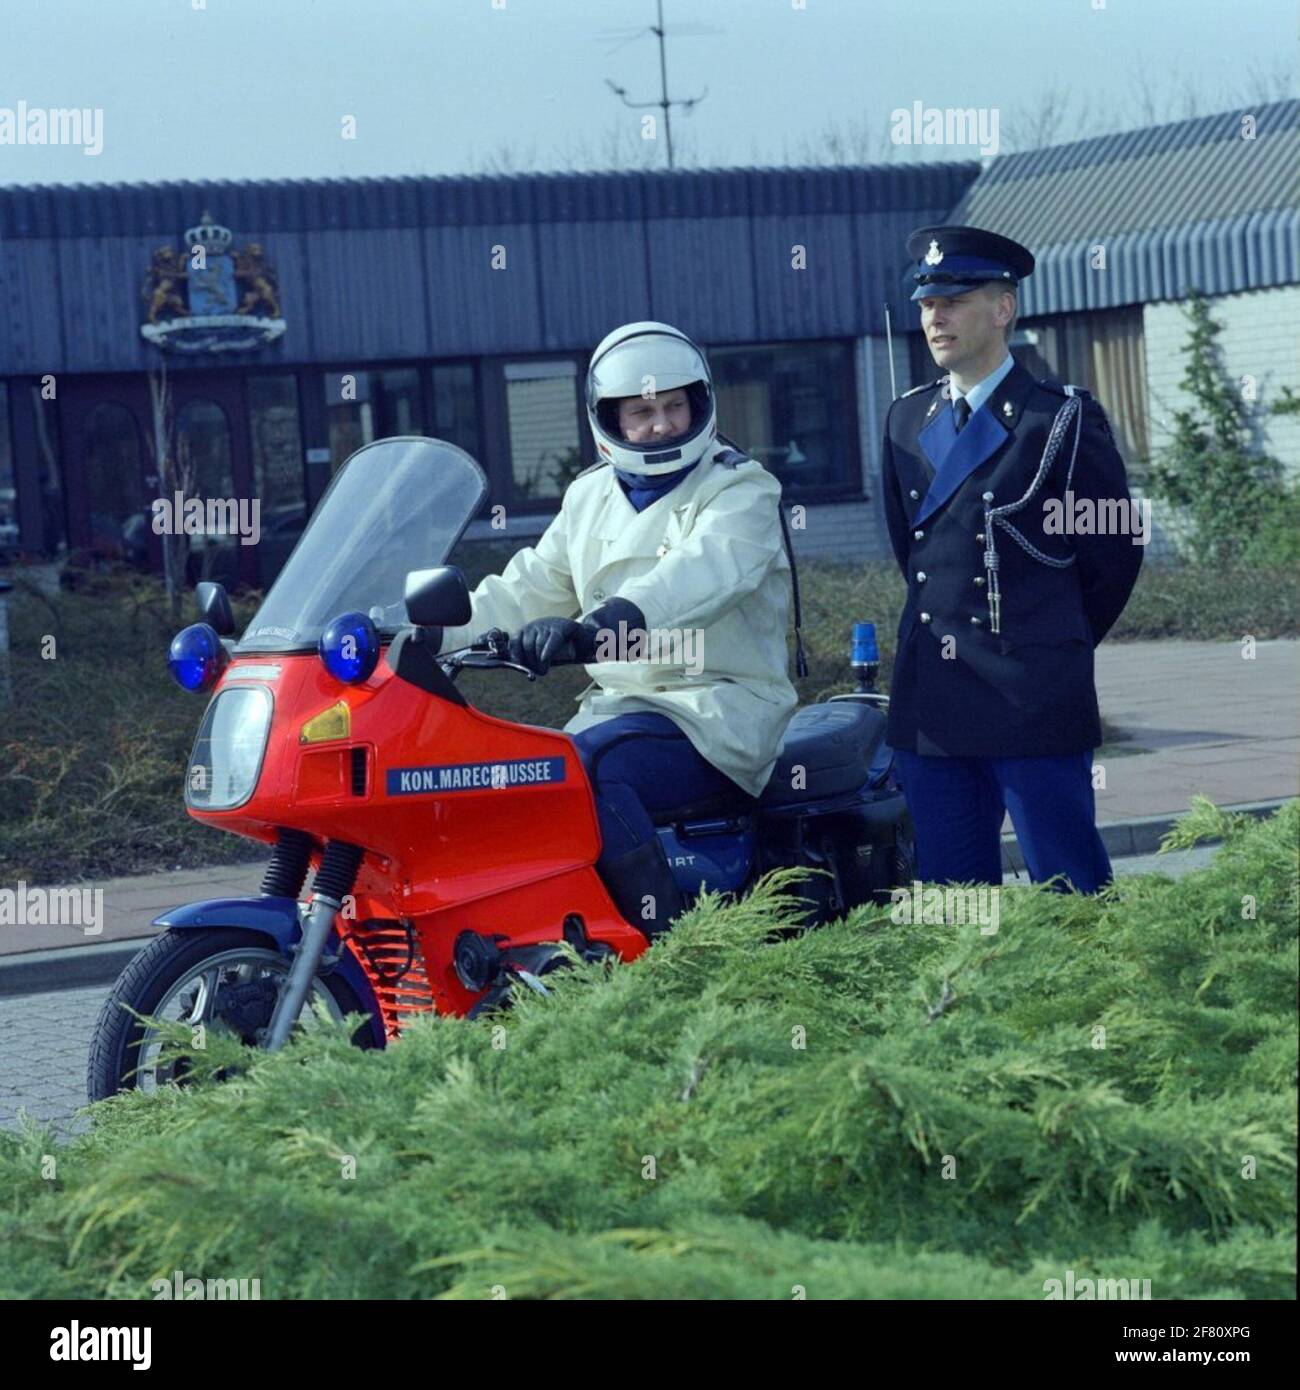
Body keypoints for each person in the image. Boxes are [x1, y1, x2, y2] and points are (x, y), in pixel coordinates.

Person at [437, 320, 798, 935]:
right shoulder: (590, 497)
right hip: (618, 711)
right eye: (641, 412)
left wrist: (598, 627)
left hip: (718, 709)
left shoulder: (741, 488)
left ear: (701, 404)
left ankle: (668, 952)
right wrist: (412, 629)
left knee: (588, 769)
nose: (660, 425)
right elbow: (524, 588)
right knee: (519, 770)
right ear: (608, 420)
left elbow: (700, 574)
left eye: (674, 406)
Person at [880, 226, 1144, 892]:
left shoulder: (1058, 419)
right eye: (926, 304)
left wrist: (1048, 640)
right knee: (951, 905)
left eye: (955, 300)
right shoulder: (905, 421)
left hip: (1030, 696)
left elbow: (1112, 558)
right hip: (933, 704)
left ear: (1003, 310)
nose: (934, 317)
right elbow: (914, 554)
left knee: (1070, 891)